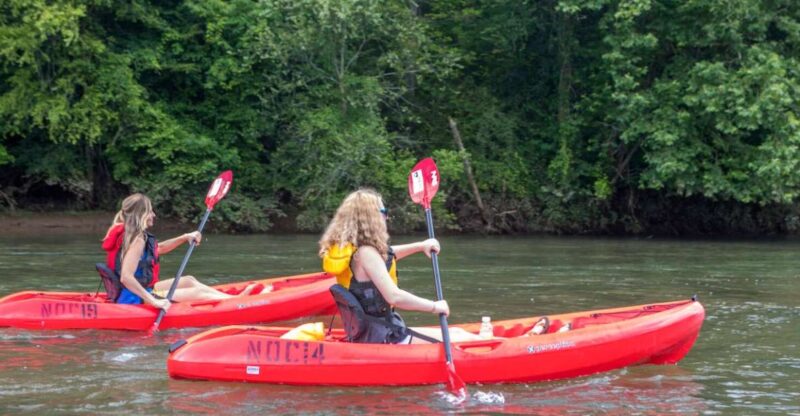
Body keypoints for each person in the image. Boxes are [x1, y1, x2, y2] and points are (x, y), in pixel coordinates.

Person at [319, 189, 484, 344]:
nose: (387, 217)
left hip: (370, 333)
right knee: (461, 337)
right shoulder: (366, 253)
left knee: (456, 333)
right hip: (384, 337)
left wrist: (420, 246)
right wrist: (434, 306)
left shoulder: (352, 250)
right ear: (371, 218)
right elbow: (394, 297)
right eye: (383, 213)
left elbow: (387, 255)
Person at [102, 193, 256, 311]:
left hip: (133, 292)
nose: (154, 215)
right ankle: (239, 304)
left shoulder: (128, 234)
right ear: (140, 215)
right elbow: (126, 278)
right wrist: (153, 301)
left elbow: (158, 249)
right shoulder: (137, 239)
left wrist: (184, 237)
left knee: (188, 280)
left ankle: (233, 298)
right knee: (198, 294)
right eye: (150, 211)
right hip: (134, 298)